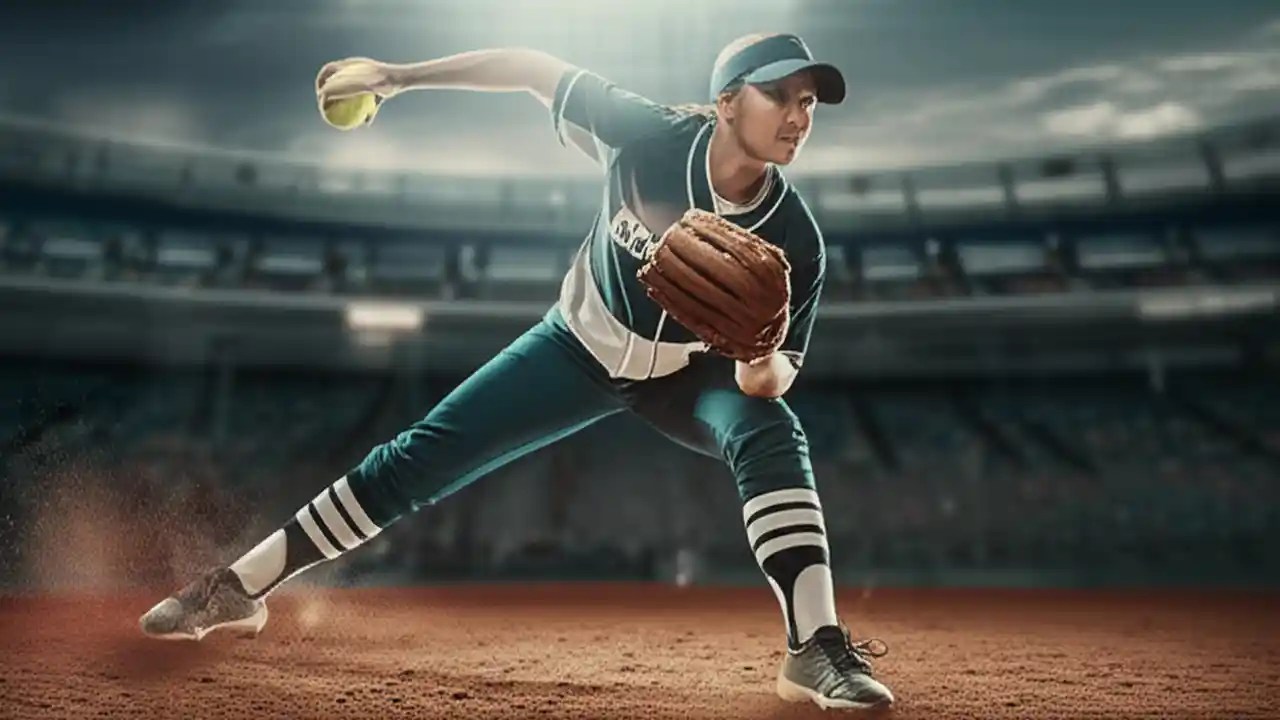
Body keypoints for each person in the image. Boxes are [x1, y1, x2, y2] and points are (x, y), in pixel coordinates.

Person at [139, 33, 895, 712]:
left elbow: (774, 380)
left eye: (808, 102)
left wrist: (758, 352)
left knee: (771, 429)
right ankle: (238, 587)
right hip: (573, 348)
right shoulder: (648, 138)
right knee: (414, 459)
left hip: (685, 379)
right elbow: (533, 67)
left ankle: (813, 649)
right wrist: (398, 76)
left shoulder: (798, 239)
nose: (798, 115)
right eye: (779, 95)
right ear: (728, 101)